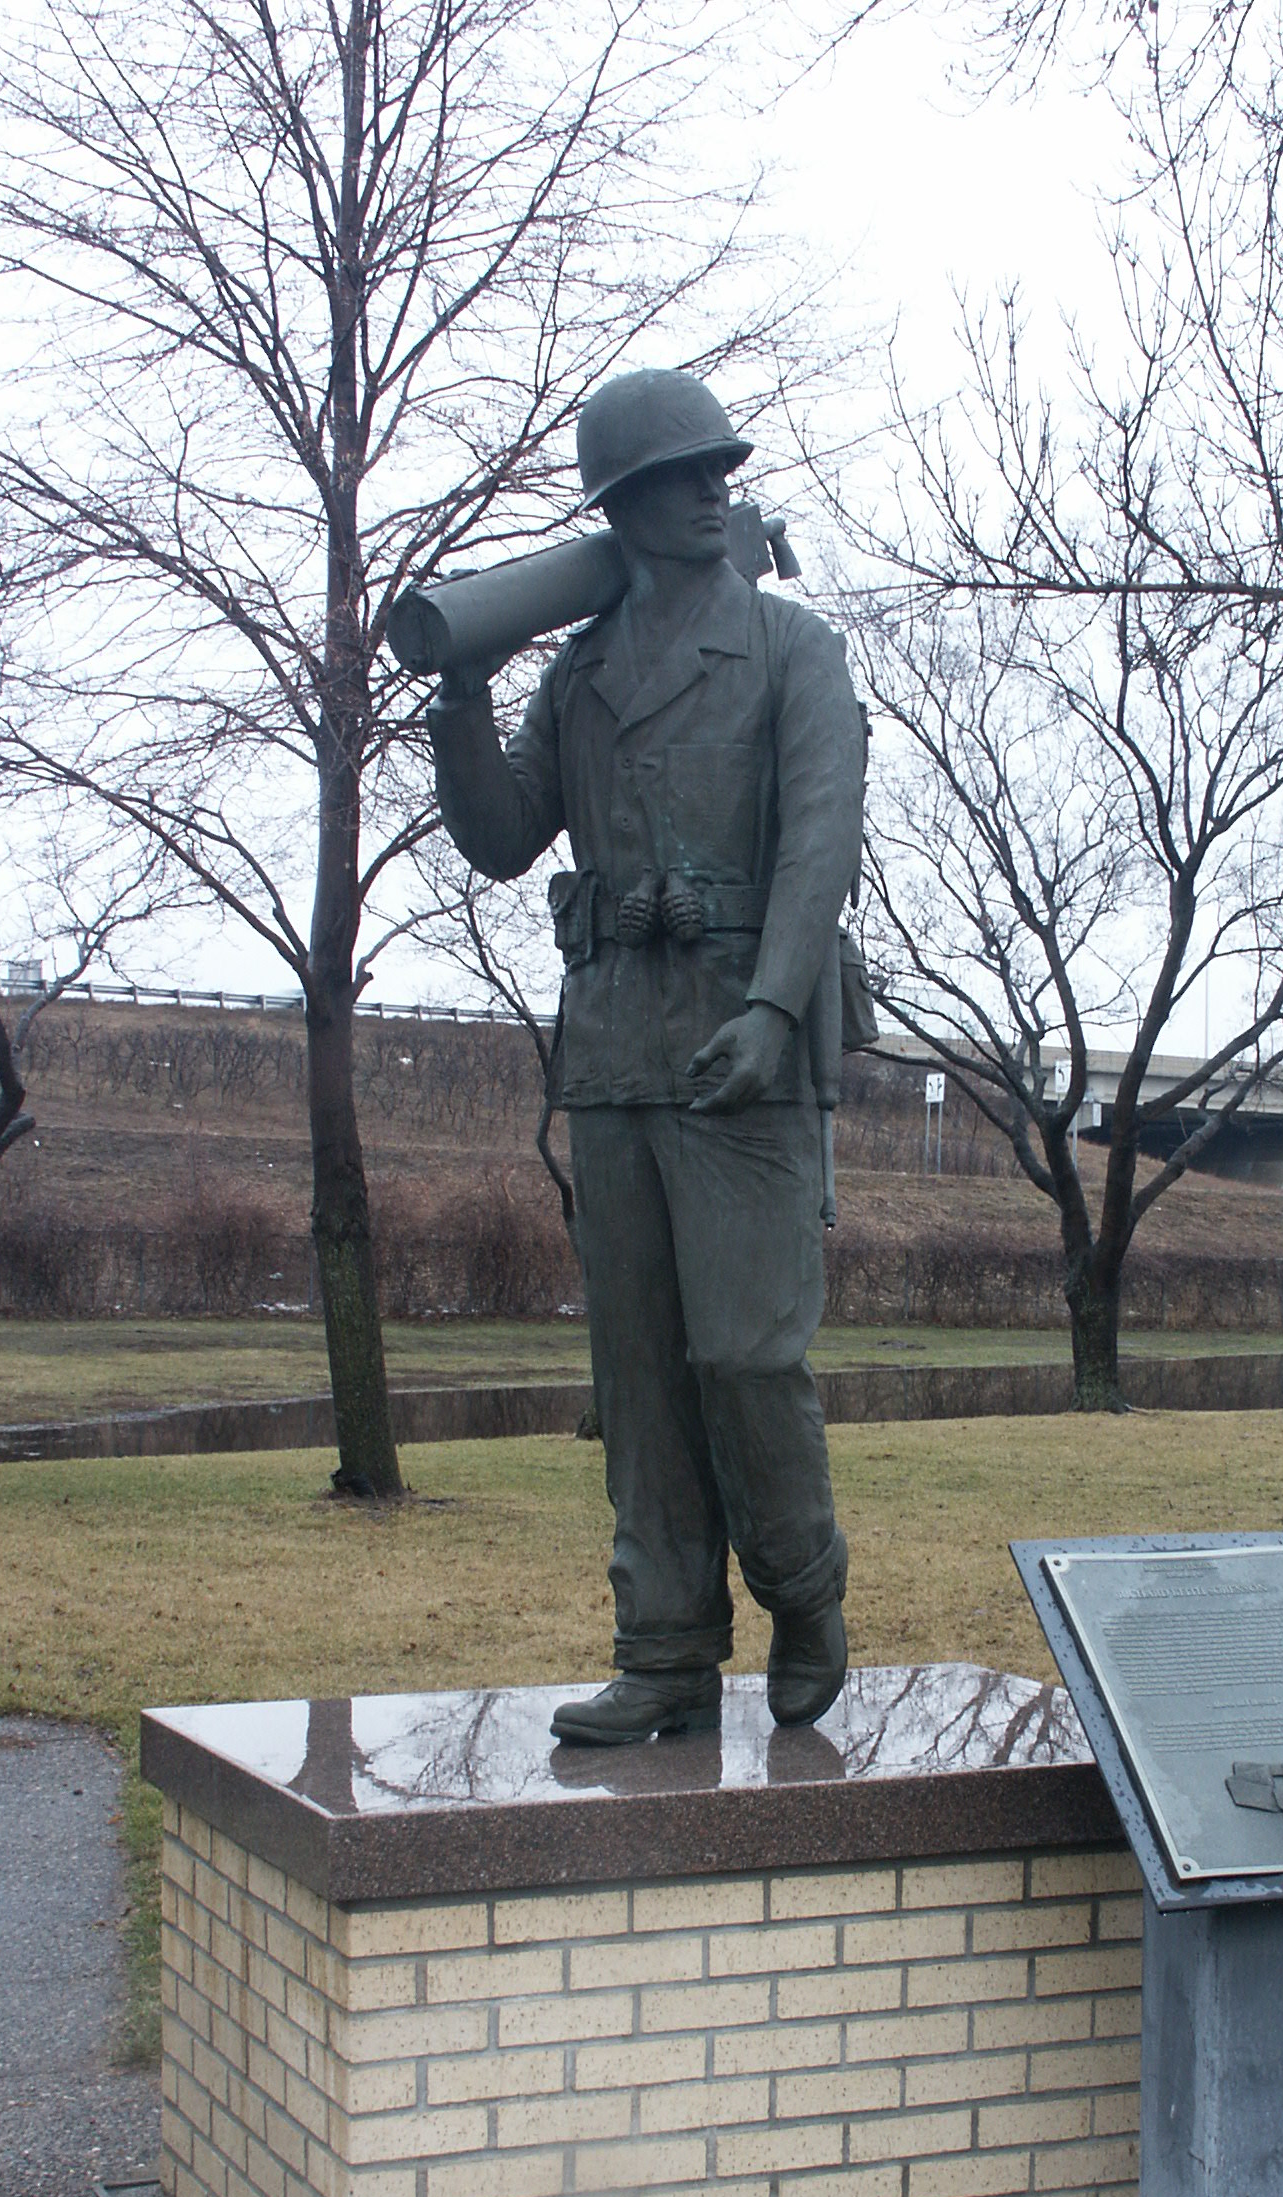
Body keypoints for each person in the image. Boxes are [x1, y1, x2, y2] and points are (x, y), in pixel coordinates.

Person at [426, 369, 864, 1745]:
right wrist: (459, 698)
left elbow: (820, 846)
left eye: (719, 471)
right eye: (680, 476)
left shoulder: (790, 647)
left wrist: (776, 1009)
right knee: (640, 1380)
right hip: (616, 1052)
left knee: (744, 1356)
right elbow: (504, 837)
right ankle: (664, 1653)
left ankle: (803, 1591)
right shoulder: (581, 671)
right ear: (621, 507)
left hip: (745, 1048)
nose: (711, 493)